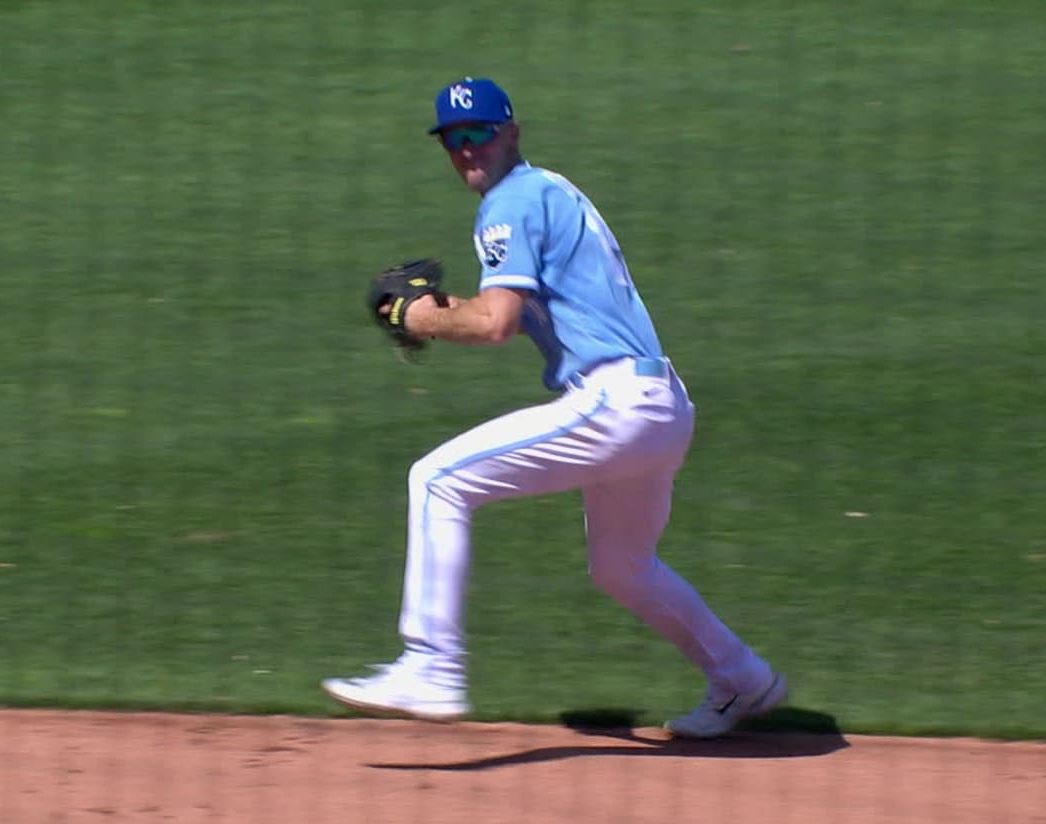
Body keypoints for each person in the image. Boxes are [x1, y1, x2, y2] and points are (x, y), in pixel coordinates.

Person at [322, 77, 786, 738]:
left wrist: (419, 314)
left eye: (479, 132)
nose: (465, 149)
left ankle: (433, 664)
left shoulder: (511, 203)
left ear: (511, 131)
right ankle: (743, 678)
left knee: (438, 481)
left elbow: (495, 322)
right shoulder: (548, 190)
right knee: (622, 567)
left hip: (617, 401)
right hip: (660, 407)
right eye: (452, 139)